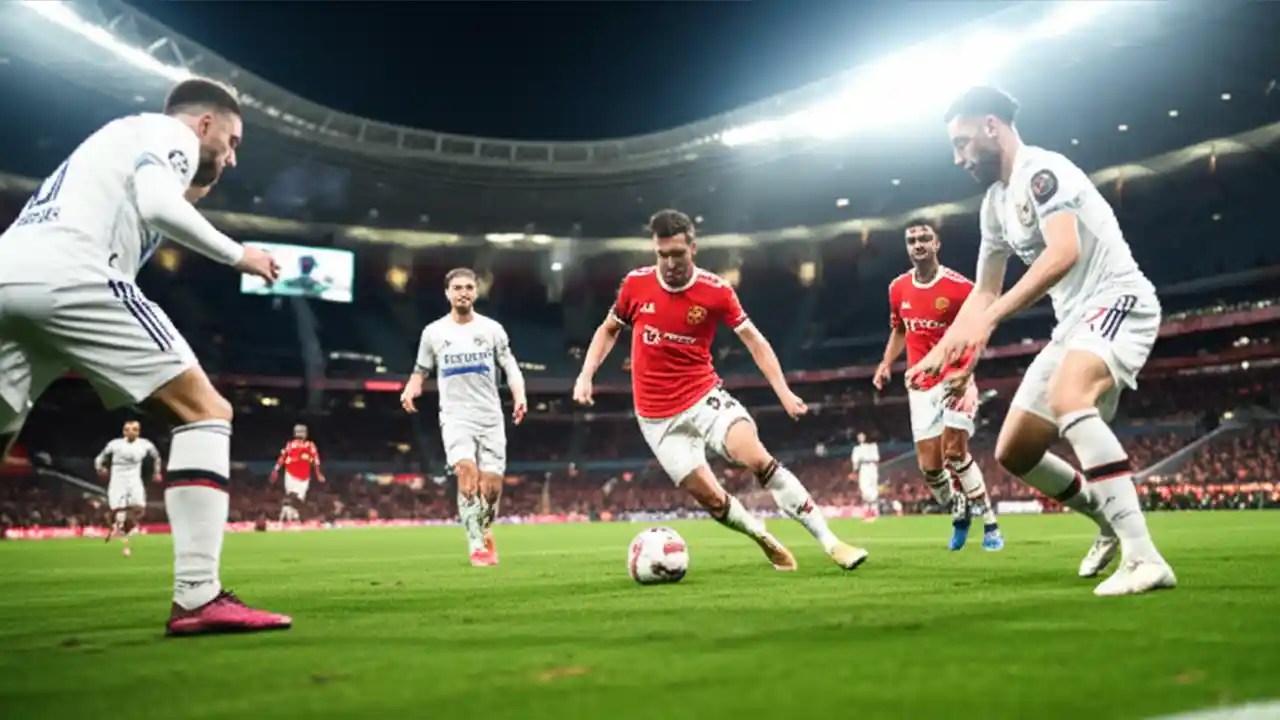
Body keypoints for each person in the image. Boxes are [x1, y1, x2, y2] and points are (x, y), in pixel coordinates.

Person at [0, 76, 293, 632]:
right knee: (205, 411)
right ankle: (198, 596)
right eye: (231, 143)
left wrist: (193, 188)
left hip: (7, 274)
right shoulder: (166, 131)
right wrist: (240, 255)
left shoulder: (117, 144)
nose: (231, 160)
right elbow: (160, 205)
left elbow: (160, 198)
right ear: (203, 124)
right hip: (74, 273)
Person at [909, 86, 1175, 596]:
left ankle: (1145, 557)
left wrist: (990, 323)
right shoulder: (994, 204)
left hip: (1118, 299)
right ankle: (1108, 522)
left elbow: (1062, 254)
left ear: (992, 126)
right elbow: (984, 291)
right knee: (1015, 451)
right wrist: (949, 351)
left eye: (963, 143)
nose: (958, 158)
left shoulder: (1043, 172)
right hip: (1072, 323)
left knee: (1068, 397)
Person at [574, 209, 867, 572]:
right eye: (661, 254)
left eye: (677, 254)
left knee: (756, 458)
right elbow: (608, 330)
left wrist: (784, 392)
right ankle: (763, 537)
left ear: (693, 248)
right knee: (712, 500)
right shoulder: (636, 285)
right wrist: (586, 374)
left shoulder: (715, 291)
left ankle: (831, 542)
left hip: (703, 396)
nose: (669, 263)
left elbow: (755, 342)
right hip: (655, 418)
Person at [874, 222, 1003, 551]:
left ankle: (990, 525)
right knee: (930, 469)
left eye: (924, 238)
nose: (917, 244)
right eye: (911, 240)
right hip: (920, 384)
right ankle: (960, 510)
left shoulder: (961, 288)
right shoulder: (898, 288)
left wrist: (968, 368)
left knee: (955, 454)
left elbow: (981, 327)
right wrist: (887, 363)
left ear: (937, 244)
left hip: (955, 378)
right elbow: (900, 329)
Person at [401, 268, 527, 566]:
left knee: (492, 487)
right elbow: (421, 368)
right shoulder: (434, 332)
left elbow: (510, 366)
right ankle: (476, 543)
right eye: (457, 287)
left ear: (476, 291)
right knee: (467, 473)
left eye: (469, 287)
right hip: (456, 416)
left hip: (490, 415)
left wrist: (520, 396)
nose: (463, 292)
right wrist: (411, 388)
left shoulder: (491, 329)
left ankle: (485, 526)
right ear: (447, 292)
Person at [94, 419, 162, 557]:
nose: (132, 432)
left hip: (134, 479)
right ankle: (123, 537)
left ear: (139, 431)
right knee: (117, 510)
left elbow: (157, 457)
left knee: (140, 508)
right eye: (128, 429)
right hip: (118, 479)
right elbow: (99, 457)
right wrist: (100, 468)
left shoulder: (145, 445)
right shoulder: (115, 444)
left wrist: (157, 472)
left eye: (135, 429)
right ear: (124, 431)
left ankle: (126, 528)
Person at [269, 424, 325, 523]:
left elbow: (316, 460)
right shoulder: (290, 445)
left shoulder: (309, 445)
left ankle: (293, 517)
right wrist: (275, 470)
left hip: (303, 477)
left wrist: (318, 473)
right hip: (292, 474)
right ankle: (289, 518)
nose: (301, 434)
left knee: (297, 499)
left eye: (302, 432)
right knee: (291, 497)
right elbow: (282, 457)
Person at [850, 432, 881, 522]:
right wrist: (854, 471)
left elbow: (876, 458)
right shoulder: (857, 448)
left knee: (873, 488)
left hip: (872, 467)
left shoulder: (873, 446)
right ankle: (868, 511)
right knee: (864, 489)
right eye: (859, 437)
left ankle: (874, 511)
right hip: (863, 468)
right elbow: (855, 461)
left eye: (862, 436)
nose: (861, 438)